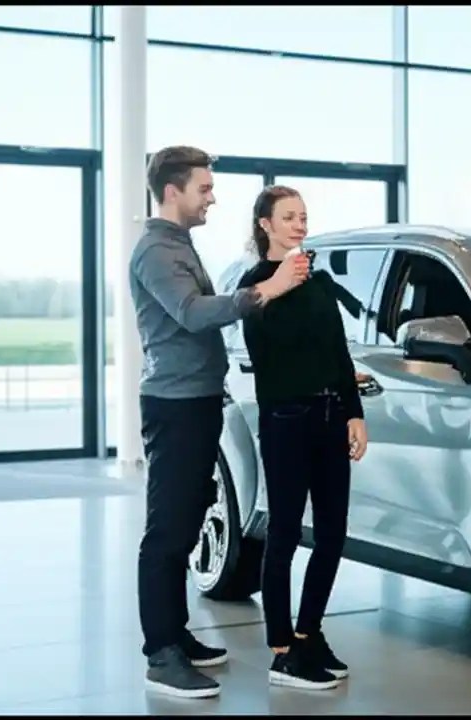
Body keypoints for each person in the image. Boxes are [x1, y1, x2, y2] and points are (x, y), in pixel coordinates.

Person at [130, 146, 310, 699]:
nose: (213, 197)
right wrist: (268, 289)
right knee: (167, 530)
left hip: (200, 399)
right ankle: (161, 655)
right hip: (175, 404)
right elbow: (191, 312)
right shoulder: (156, 251)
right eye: (204, 188)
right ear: (172, 191)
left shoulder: (179, 244)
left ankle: (176, 634)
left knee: (186, 523)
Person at [236, 185, 368, 691]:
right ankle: (281, 649)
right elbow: (271, 355)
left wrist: (354, 414)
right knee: (286, 533)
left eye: (303, 216)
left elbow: (338, 352)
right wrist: (280, 283)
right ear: (265, 224)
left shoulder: (317, 282)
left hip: (333, 416)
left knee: (333, 533)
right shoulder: (256, 288)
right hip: (286, 420)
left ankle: (308, 631)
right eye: (288, 216)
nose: (299, 224)